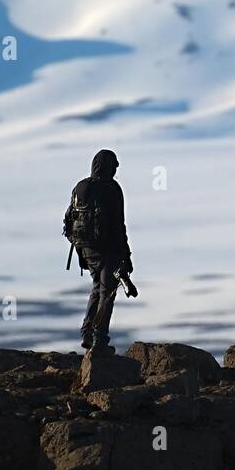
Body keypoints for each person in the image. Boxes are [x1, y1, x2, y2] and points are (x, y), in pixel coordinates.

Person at [63, 148, 134, 353]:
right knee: (107, 292)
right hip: (107, 249)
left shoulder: (81, 187)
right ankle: (99, 338)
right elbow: (119, 226)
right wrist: (126, 256)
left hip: (84, 249)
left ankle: (87, 334)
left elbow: (69, 219)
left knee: (97, 288)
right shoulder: (112, 189)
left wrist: (79, 244)